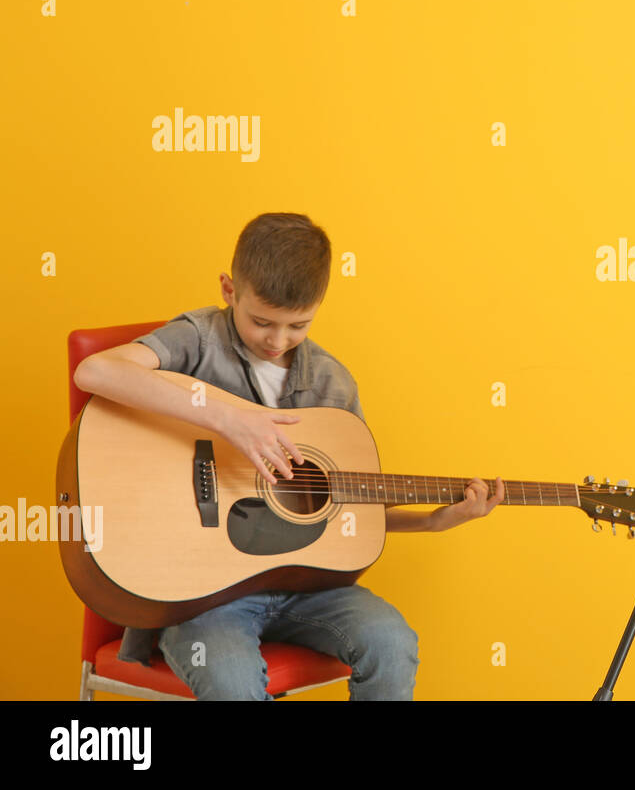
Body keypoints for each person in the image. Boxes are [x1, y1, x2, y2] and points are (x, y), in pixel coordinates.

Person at [73, 212, 504, 699]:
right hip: (201, 598)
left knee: (391, 642)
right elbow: (97, 372)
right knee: (231, 679)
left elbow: (345, 510)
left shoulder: (331, 383)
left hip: (307, 589)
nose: (277, 341)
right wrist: (229, 418)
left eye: (298, 325)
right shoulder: (199, 338)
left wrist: (431, 523)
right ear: (229, 289)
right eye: (262, 322)